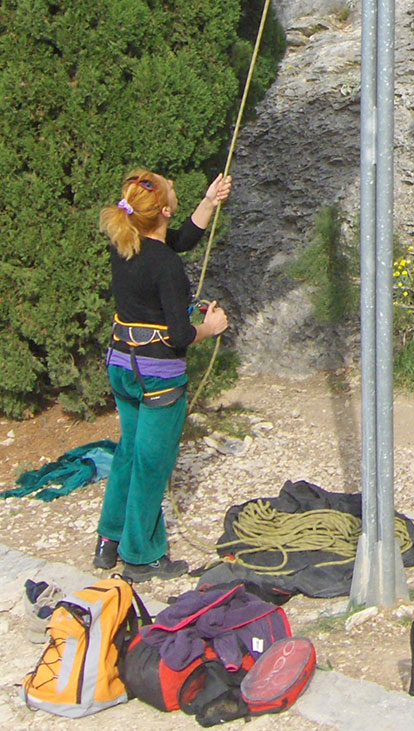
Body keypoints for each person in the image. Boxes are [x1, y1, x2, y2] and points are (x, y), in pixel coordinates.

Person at [94, 168, 231, 580]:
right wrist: (212, 327)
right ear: (167, 210)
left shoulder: (126, 244)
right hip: (157, 377)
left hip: (122, 365)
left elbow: (178, 241)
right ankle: (143, 556)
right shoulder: (167, 266)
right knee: (152, 464)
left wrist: (208, 203)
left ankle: (108, 541)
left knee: (129, 453)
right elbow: (179, 334)